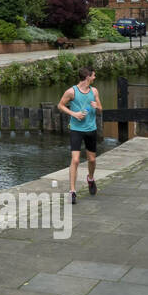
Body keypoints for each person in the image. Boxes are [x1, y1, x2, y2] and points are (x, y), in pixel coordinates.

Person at [57, 66, 102, 204]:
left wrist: (96, 107)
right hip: (76, 129)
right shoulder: (72, 91)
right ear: (88, 76)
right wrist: (74, 114)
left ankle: (90, 178)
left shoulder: (94, 91)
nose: (95, 78)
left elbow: (100, 110)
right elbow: (60, 105)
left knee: (92, 160)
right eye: (93, 75)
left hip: (91, 129)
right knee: (75, 160)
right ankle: (72, 191)